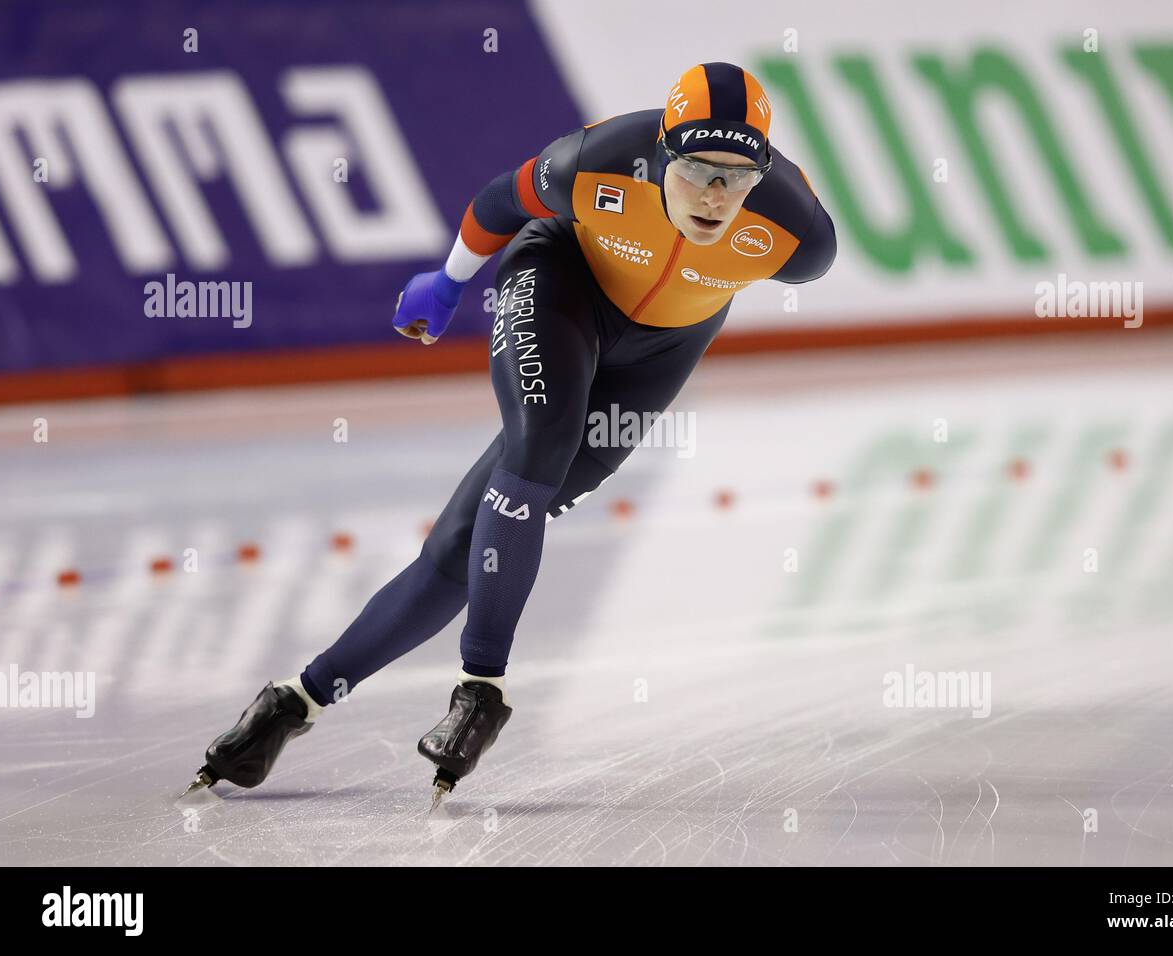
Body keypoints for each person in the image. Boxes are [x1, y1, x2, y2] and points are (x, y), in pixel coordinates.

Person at [183, 62, 837, 803]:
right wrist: (450, 282)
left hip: (656, 355)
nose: (715, 196)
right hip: (559, 283)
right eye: (694, 169)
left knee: (465, 550)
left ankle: (293, 702)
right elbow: (500, 200)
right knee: (541, 441)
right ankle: (481, 688)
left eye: (736, 175)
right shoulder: (596, 161)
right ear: (660, 152)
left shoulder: (799, 237)